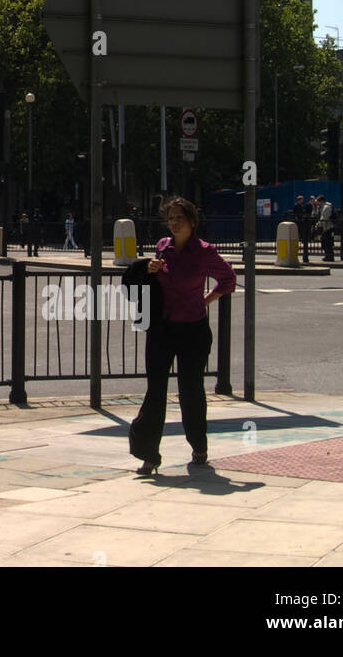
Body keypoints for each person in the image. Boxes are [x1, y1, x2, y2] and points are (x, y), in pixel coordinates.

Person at [129, 197, 236, 476]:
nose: (174, 223)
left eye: (179, 218)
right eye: (170, 218)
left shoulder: (205, 252)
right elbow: (155, 279)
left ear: (192, 221)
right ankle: (149, 455)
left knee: (190, 390)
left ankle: (198, 446)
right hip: (162, 329)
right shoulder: (163, 247)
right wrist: (150, 269)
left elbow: (228, 279)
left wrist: (206, 299)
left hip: (193, 330)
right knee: (155, 391)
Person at [292, 195, 311, 264]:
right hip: (299, 221)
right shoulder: (296, 206)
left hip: (302, 221)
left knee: (302, 231)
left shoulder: (302, 206)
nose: (302, 201)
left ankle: (303, 240)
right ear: (299, 200)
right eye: (301, 199)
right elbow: (295, 213)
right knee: (300, 230)